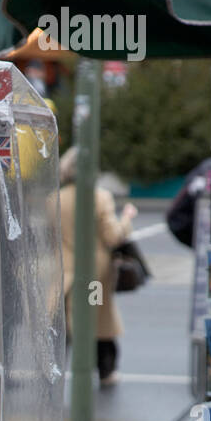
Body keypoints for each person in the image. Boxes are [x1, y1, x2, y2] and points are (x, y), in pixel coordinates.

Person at [58, 146, 137, 387]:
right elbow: (113, 236)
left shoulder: (56, 198)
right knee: (98, 320)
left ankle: (57, 372)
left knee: (63, 326)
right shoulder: (100, 197)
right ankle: (105, 370)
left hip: (64, 275)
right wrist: (127, 219)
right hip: (94, 276)